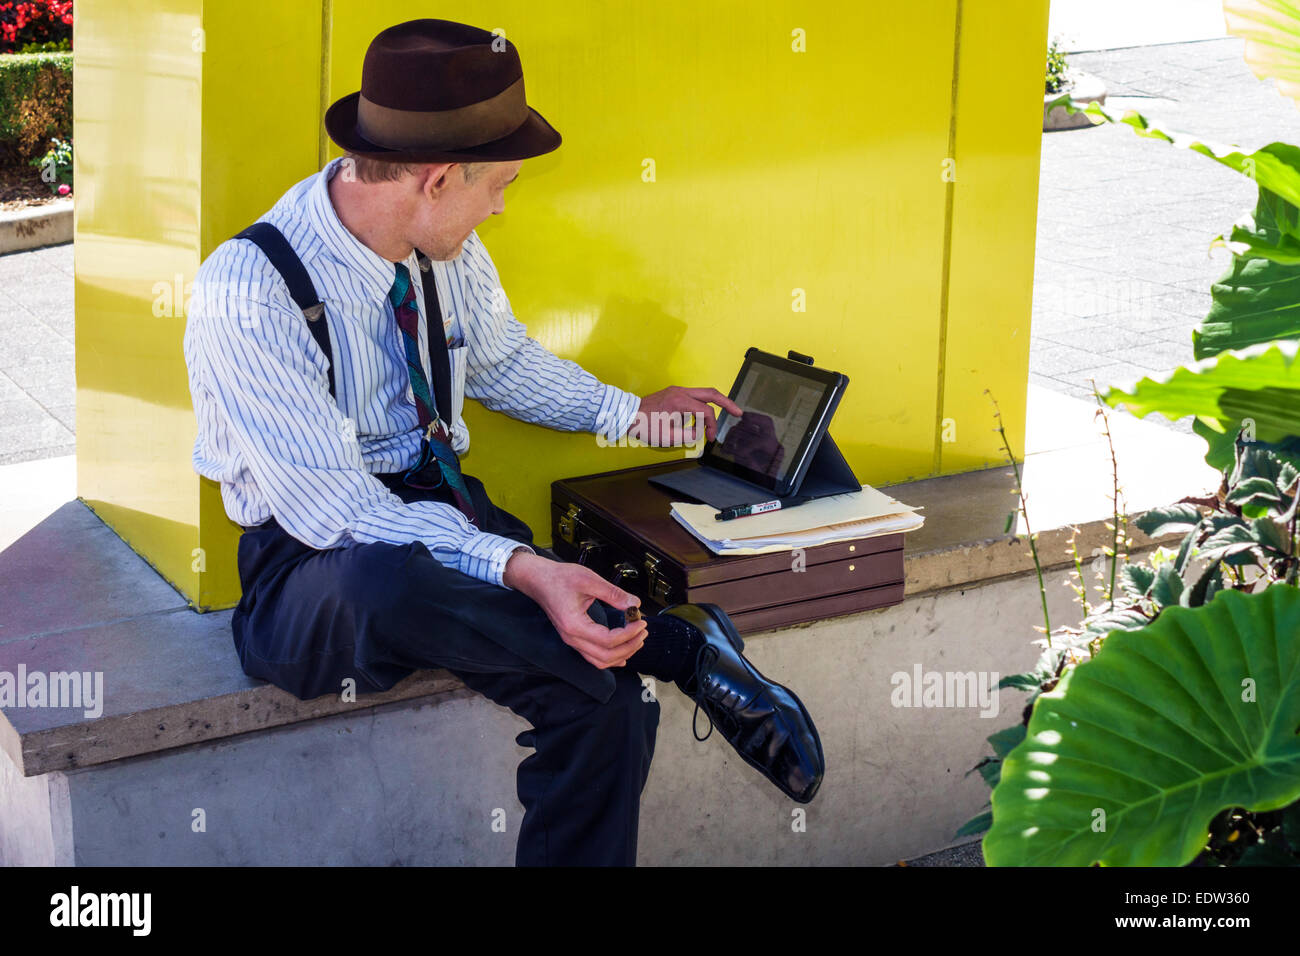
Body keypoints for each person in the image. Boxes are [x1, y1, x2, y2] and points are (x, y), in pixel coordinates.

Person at [183, 17, 823, 866]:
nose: (502, 206)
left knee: (610, 701)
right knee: (388, 578)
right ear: (439, 178)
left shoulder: (445, 247)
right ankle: (681, 644)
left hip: (446, 512)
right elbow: (338, 512)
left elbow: (500, 362)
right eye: (500, 186)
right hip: (311, 567)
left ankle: (666, 649)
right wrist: (522, 567)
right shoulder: (249, 291)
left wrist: (639, 414)